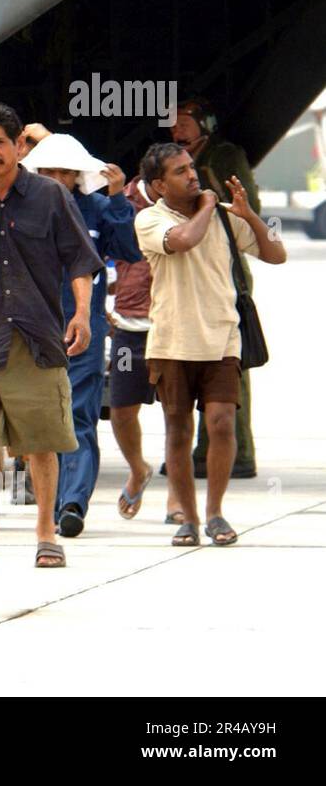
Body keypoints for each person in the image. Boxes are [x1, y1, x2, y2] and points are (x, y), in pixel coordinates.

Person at [0, 103, 103, 573]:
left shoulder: (51, 196)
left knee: (40, 442)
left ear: (18, 147)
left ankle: (46, 535)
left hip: (35, 336)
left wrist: (82, 315)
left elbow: (78, 258)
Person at [134, 143, 285, 548]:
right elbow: (182, 240)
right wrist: (207, 205)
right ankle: (190, 518)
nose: (192, 175)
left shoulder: (220, 217)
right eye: (180, 171)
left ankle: (216, 512)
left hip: (222, 338)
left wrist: (248, 214)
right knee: (178, 431)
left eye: (190, 167)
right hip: (172, 342)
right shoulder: (151, 218)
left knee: (220, 423)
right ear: (159, 184)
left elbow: (276, 252)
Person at [23, 134, 142, 536]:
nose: (57, 178)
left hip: (83, 333)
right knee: (40, 422)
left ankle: (73, 503)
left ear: (78, 175)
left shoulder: (98, 208)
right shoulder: (18, 209)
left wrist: (119, 199)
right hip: (32, 331)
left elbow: (128, 250)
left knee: (79, 416)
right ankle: (51, 501)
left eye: (65, 172)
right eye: (49, 171)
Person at [171, 98, 261, 478]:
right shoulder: (172, 158)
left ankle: (236, 453)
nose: (177, 129)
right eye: (172, 123)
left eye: (184, 122)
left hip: (225, 270)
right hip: (193, 266)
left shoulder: (225, 156)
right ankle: (205, 449)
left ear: (204, 123)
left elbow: (249, 208)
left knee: (230, 364)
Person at [107, 174, 158, 520]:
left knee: (178, 411)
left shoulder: (191, 206)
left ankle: (178, 504)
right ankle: (138, 467)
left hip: (171, 329)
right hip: (127, 327)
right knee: (122, 408)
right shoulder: (119, 205)